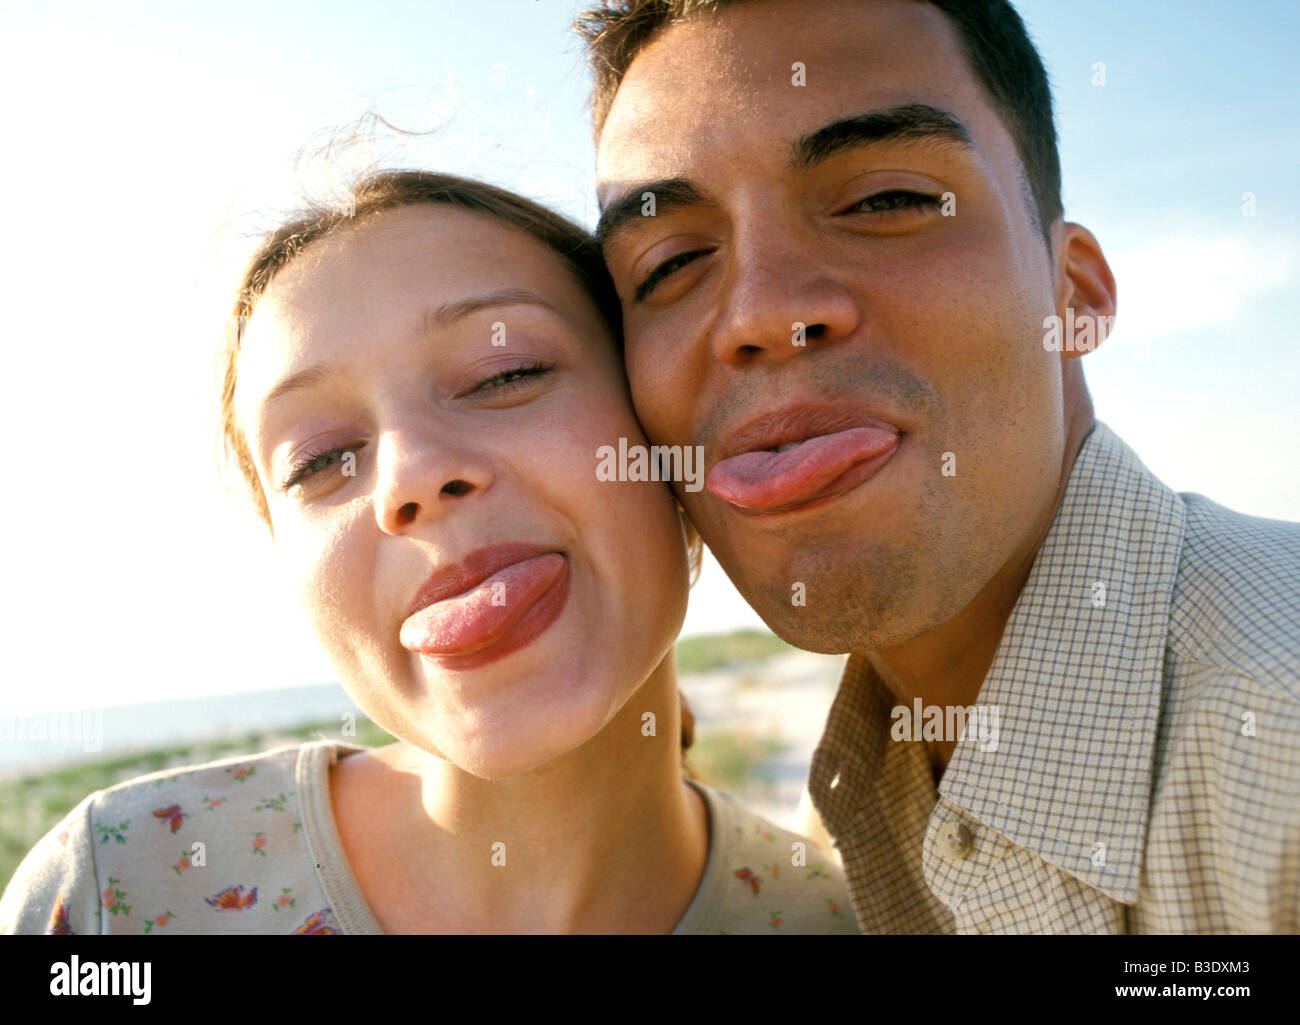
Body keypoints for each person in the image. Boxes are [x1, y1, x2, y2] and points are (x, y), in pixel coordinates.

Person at [575, 0, 1300, 932]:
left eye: (886, 201)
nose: (759, 312)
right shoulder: (840, 819)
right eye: (669, 265)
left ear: (1071, 294)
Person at [0, 171, 857, 935]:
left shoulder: (843, 921)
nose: (409, 477)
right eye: (321, 459)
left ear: (660, 424)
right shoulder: (120, 891)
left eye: (504, 373)